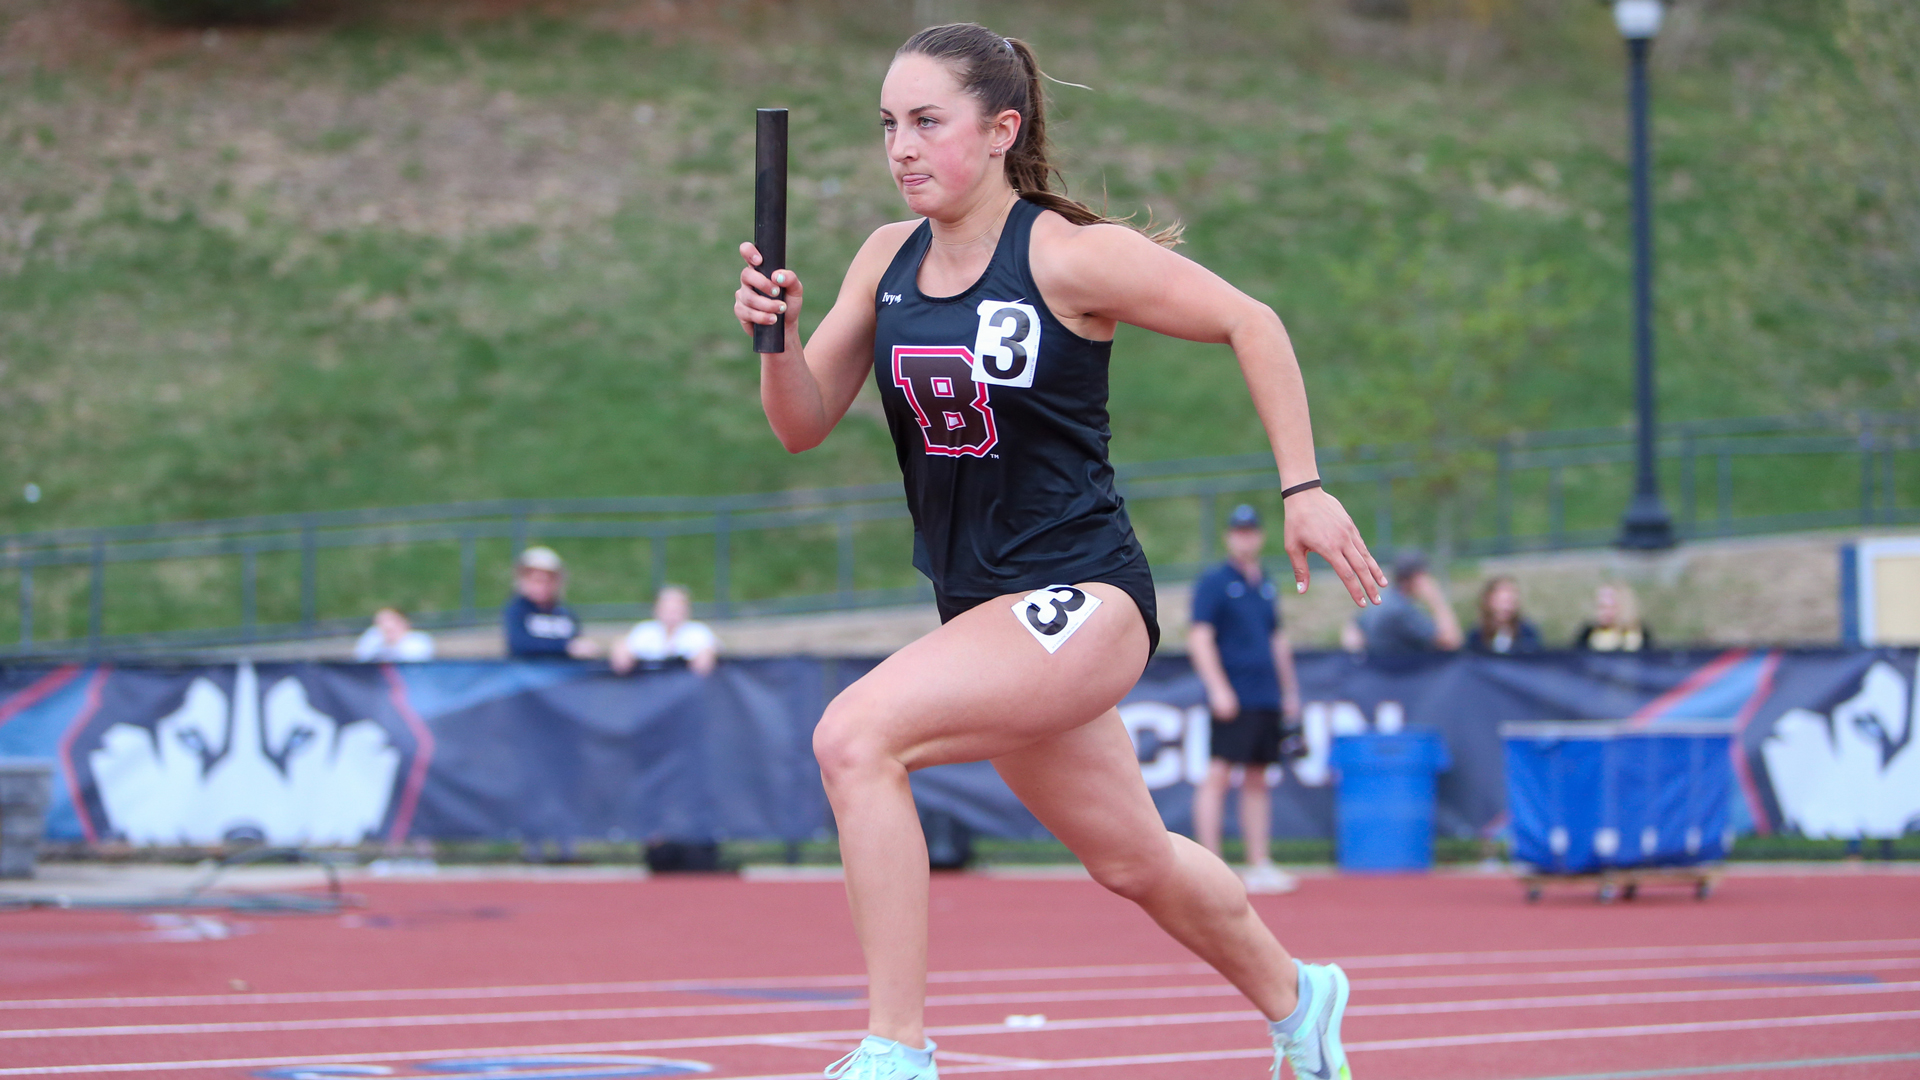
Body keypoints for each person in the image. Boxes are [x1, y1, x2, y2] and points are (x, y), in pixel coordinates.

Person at [731, 23, 1382, 1080]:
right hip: (981, 609)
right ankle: (1301, 1000)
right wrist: (774, 339)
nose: (901, 147)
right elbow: (801, 423)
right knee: (1132, 859)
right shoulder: (885, 259)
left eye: (927, 121)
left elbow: (1253, 322)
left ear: (1001, 131)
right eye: (888, 125)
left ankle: (897, 1049)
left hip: (1083, 596)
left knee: (855, 738)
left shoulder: (1068, 255)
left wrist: (1302, 488)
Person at [1188, 503, 1302, 895]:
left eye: (1250, 531)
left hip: (1265, 694)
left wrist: (1289, 690)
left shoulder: (1265, 582)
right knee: (1219, 773)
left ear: (1260, 536)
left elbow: (1276, 638)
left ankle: (1259, 862)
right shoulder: (1215, 582)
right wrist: (1218, 687)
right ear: (1228, 537)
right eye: (1238, 531)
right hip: (1234, 694)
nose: (1245, 538)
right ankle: (1211, 865)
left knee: (1257, 777)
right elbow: (1200, 637)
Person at [1352, 549, 1463, 659]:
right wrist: (1436, 600)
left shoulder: (1385, 599)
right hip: (1404, 668)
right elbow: (1451, 642)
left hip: (1380, 666)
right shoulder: (1402, 610)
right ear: (1416, 578)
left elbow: (1354, 628)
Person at [502, 546, 601, 660]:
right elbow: (520, 644)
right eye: (536, 580)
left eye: (548, 580)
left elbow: (576, 642)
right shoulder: (517, 610)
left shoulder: (564, 613)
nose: (542, 586)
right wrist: (565, 647)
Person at [611, 585, 719, 676]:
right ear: (656, 610)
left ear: (686, 610)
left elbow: (705, 661)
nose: (671, 615)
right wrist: (621, 650)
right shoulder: (645, 630)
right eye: (667, 610)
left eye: (676, 610)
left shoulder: (698, 632)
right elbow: (623, 652)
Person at [1465, 575, 1542, 654]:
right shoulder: (1477, 635)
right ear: (1488, 601)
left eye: (1510, 601)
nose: (1505, 607)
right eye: (1500, 601)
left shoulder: (1527, 633)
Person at [1574, 582, 1653, 652]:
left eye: (1612, 607)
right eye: (1602, 607)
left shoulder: (1640, 635)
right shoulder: (1588, 634)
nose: (1605, 613)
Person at [352, 607, 435, 662]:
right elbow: (361, 657)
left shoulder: (419, 640)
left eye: (391, 620)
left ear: (404, 622)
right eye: (380, 622)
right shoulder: (373, 638)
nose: (386, 625)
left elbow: (415, 661)